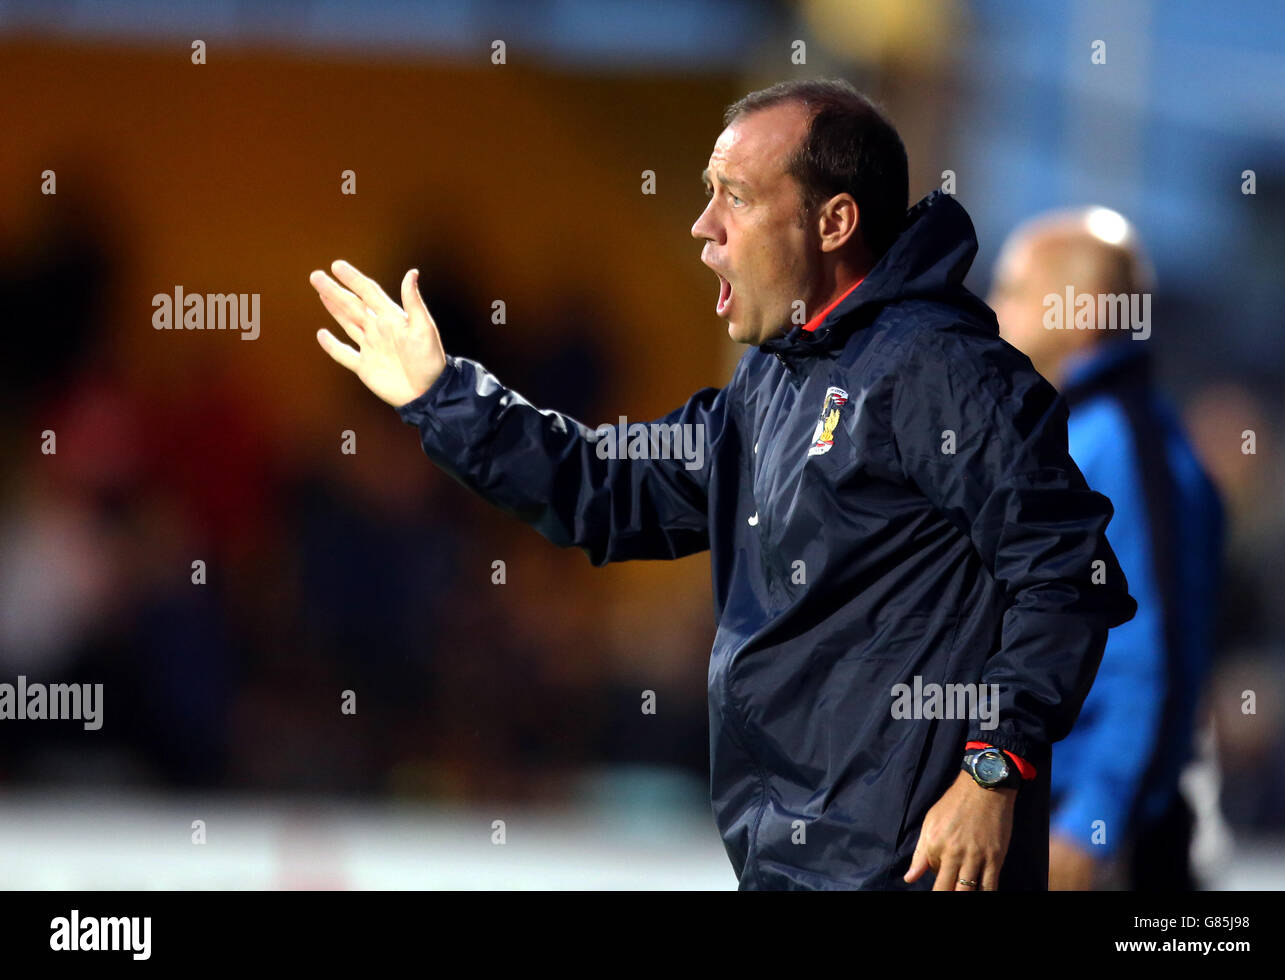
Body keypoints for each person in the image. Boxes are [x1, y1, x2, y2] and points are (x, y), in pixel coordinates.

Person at [309, 79, 1136, 890]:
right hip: (791, 864)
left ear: (834, 220)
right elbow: (604, 485)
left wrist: (994, 768)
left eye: (734, 197)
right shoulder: (770, 382)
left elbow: (1068, 574)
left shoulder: (942, 369)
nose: (704, 227)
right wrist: (441, 394)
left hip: (912, 869)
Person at [989, 207, 1225, 889]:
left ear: (1081, 308)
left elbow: (1149, 658)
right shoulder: (1097, 430)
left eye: (1014, 289)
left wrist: (1093, 820)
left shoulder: (1120, 443)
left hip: (1101, 844)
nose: (995, 309)